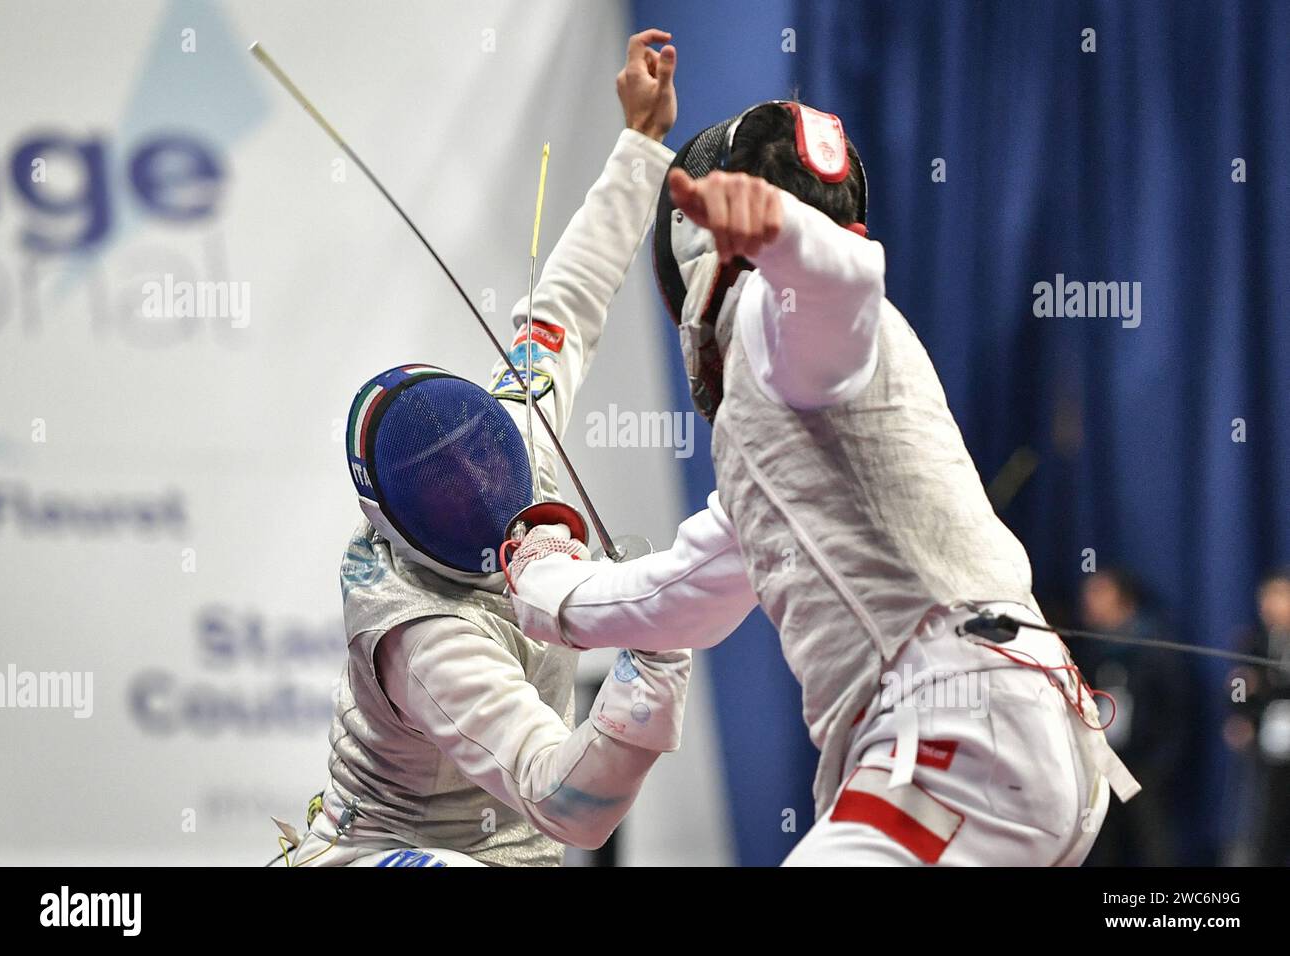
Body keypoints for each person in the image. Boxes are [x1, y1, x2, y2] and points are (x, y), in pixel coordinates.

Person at [508, 100, 1139, 865]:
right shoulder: (780, 428)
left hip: (960, 742)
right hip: (1009, 736)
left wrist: (781, 235)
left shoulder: (786, 325)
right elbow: (677, 596)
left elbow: (838, 288)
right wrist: (544, 585)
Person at [281, 30, 715, 867]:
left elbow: (564, 307)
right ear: (400, 528)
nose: (482, 485)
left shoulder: (517, 442)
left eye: (486, 454)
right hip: (384, 852)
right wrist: (653, 663)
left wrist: (639, 146)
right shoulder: (429, 637)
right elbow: (573, 804)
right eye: (451, 481)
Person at [1074, 569, 1185, 866]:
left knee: (1153, 839)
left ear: (1124, 599)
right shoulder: (1088, 649)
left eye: (1099, 593)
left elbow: (1175, 708)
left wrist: (1161, 760)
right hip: (1102, 760)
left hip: (1144, 762)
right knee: (1101, 842)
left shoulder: (1154, 647)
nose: (1089, 601)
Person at [1224, 567, 1290, 866]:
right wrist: (1242, 715)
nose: (1270, 605)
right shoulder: (1254, 642)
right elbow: (1237, 689)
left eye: (1279, 597)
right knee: (1267, 823)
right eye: (1265, 598)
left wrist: (1267, 685)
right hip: (1270, 749)